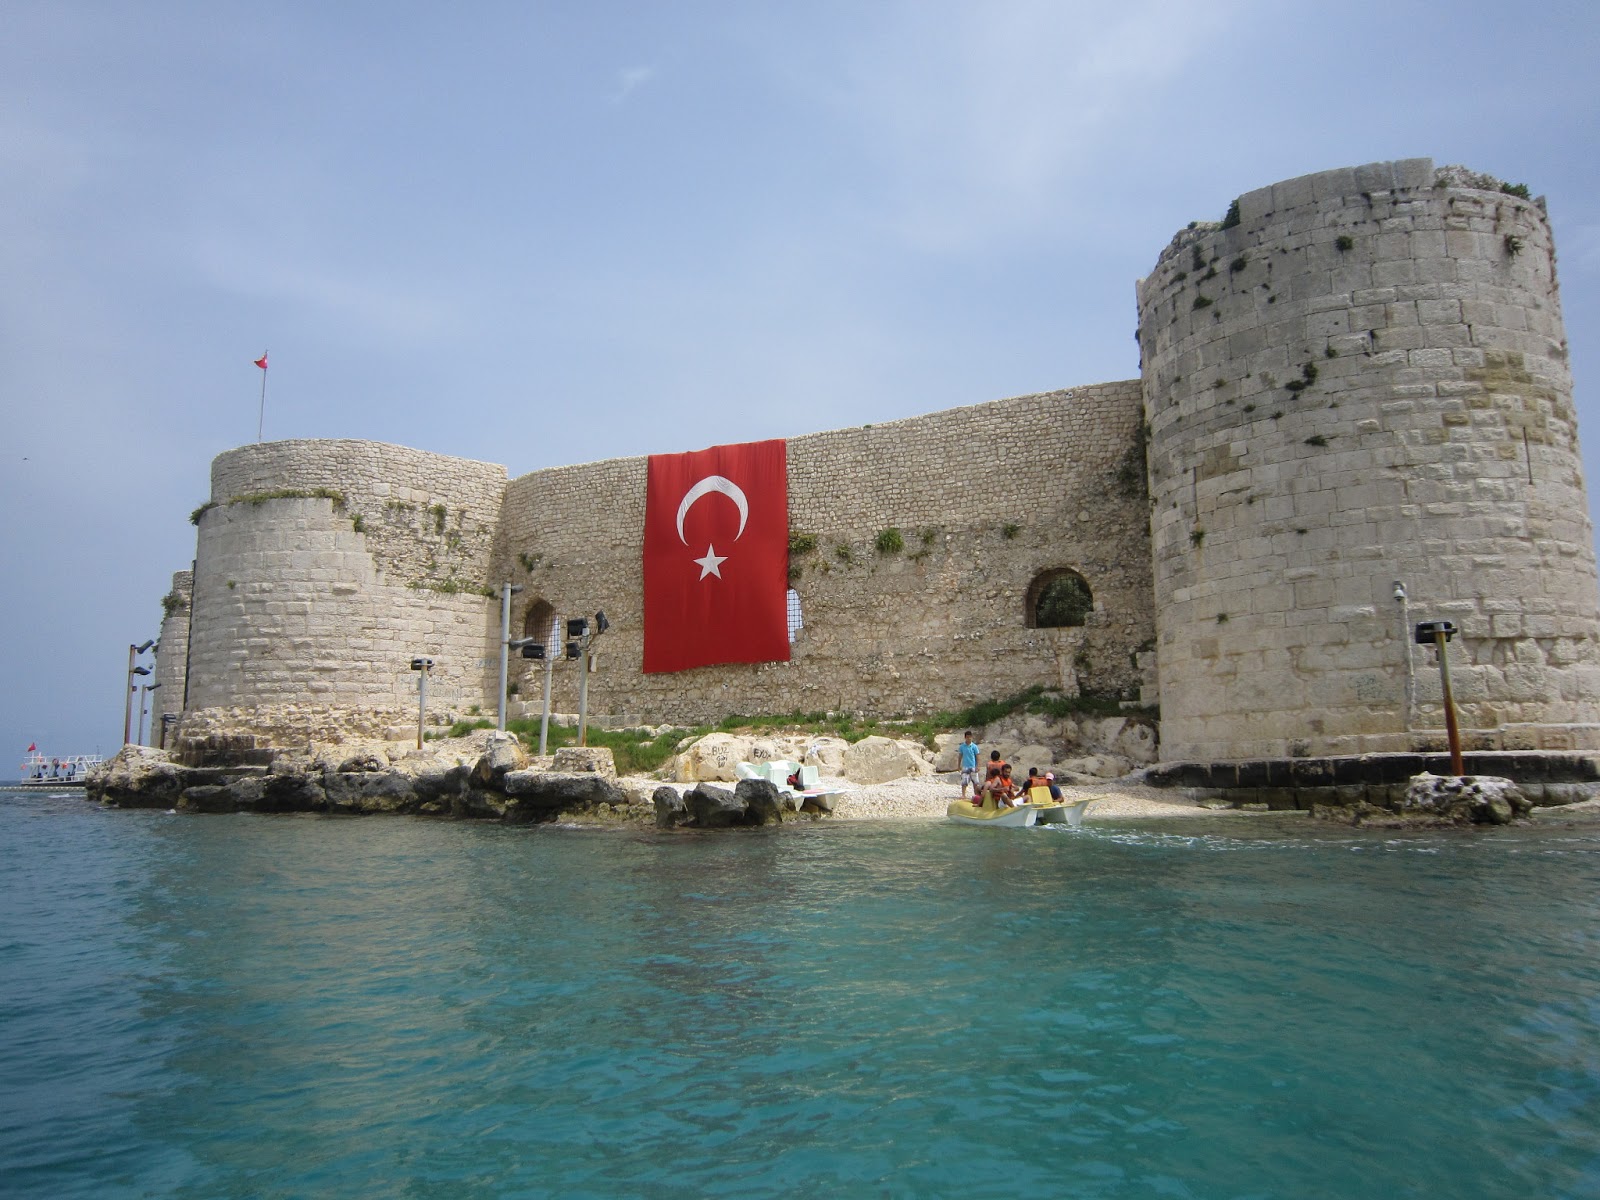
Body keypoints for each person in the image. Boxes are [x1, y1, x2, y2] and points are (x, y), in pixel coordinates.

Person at [958, 731, 981, 799]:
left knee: (975, 782)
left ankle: (976, 795)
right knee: (964, 781)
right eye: (967, 737)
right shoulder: (962, 746)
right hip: (965, 766)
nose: (969, 739)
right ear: (965, 737)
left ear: (972, 737)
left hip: (973, 766)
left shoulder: (974, 746)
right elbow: (960, 756)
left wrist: (978, 766)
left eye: (970, 737)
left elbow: (977, 756)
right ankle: (963, 794)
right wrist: (958, 765)